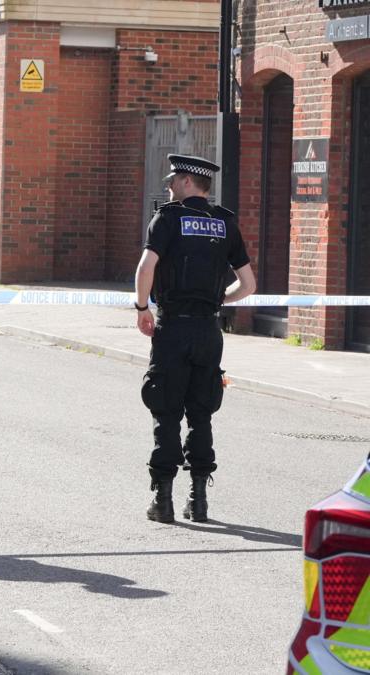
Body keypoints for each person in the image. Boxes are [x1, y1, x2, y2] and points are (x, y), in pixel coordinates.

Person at [134, 154, 256, 524]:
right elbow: (248, 285)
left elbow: (146, 267)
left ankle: (163, 500)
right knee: (201, 412)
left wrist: (142, 307)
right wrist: (221, 299)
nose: (168, 185)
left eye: (173, 179)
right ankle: (199, 500)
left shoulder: (168, 218)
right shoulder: (226, 223)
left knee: (166, 409)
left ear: (188, 181)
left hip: (172, 329)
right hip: (208, 330)